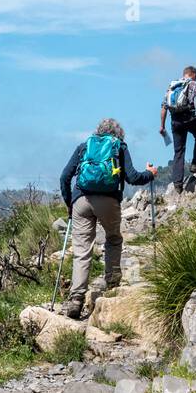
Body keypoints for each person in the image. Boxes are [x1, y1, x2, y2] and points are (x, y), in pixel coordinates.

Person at [58, 118, 157, 320]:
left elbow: (64, 177)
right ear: (118, 134)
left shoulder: (84, 146)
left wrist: (70, 204)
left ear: (98, 131)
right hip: (109, 201)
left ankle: (76, 299)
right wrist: (150, 173)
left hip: (81, 201)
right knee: (113, 239)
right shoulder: (119, 146)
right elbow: (132, 177)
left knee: (82, 251)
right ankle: (112, 285)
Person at [159, 64, 196, 191]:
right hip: (190, 119)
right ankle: (195, 164)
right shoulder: (195, 85)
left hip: (175, 121)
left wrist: (162, 126)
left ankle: (177, 184)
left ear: (184, 74)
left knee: (178, 151)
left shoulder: (172, 86)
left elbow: (164, 107)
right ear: (194, 75)